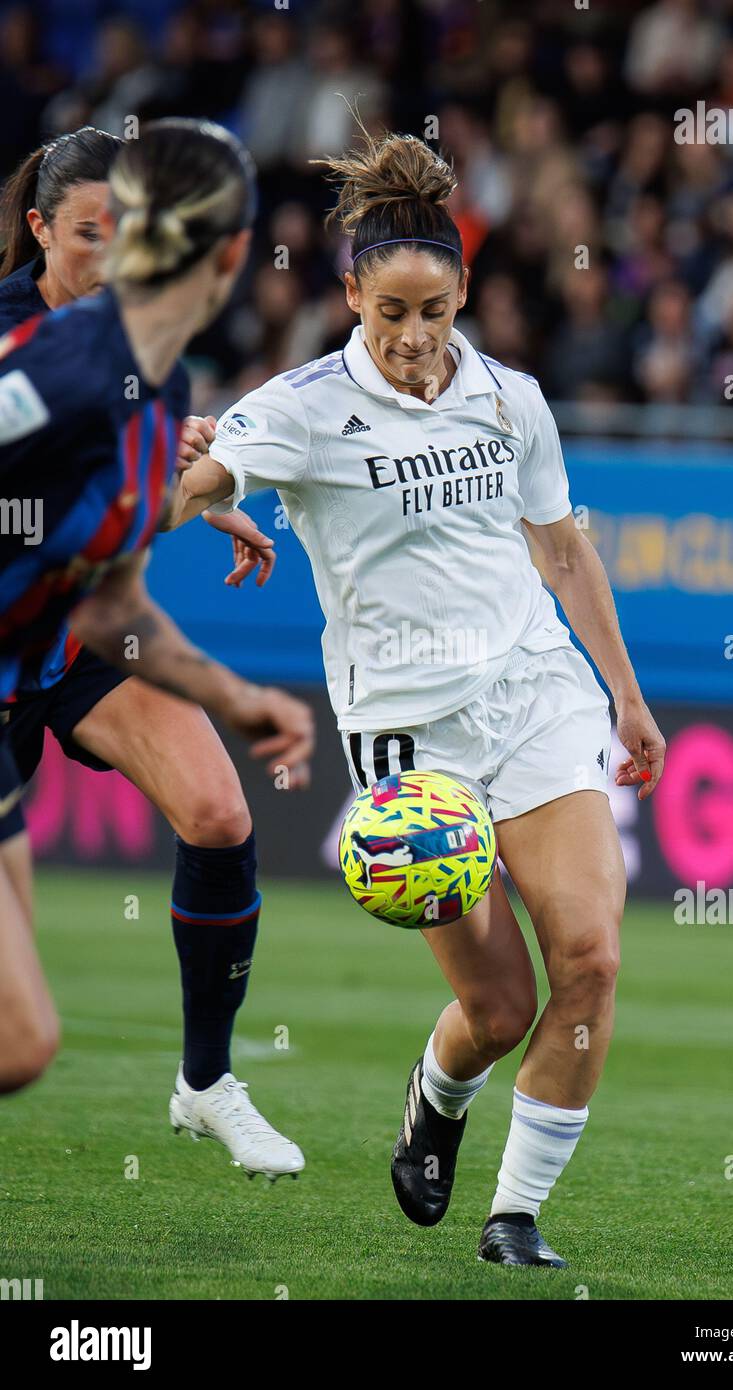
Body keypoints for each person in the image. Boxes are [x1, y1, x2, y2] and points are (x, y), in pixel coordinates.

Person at [165, 126, 666, 1265]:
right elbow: (196, 482)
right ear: (348, 294)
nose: (409, 336)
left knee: (587, 958)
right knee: (494, 1006)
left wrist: (624, 699)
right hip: (409, 742)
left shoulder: (510, 399)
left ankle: (514, 1216)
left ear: (461, 295)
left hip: (536, 695)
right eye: (386, 312)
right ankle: (436, 1099)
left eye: (430, 311)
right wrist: (150, 483)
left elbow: (564, 553)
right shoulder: (297, 408)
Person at [0, 118, 313, 1185]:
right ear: (41, 230)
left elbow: (108, 583)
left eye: (125, 232)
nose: (107, 257)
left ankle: (206, 1083)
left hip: (61, 634)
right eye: (90, 234)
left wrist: (234, 690)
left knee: (221, 812)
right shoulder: (42, 365)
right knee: (19, 1040)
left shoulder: (155, 376)